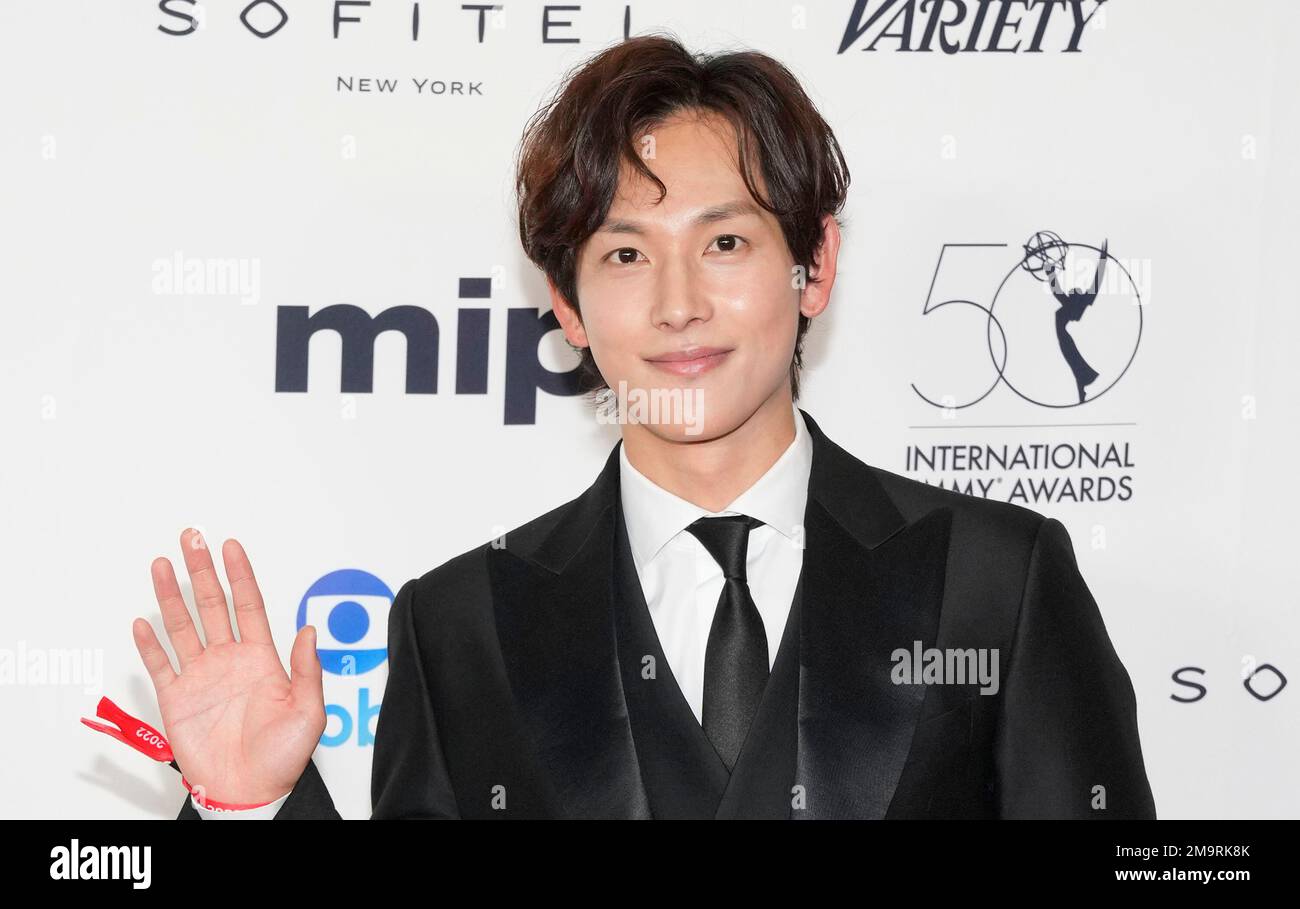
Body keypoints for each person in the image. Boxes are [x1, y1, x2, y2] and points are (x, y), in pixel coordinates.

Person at [134, 34, 1156, 819]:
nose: (678, 304)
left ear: (815, 267)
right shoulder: (462, 626)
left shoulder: (994, 580)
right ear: (567, 307)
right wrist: (250, 804)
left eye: (723, 241)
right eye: (625, 255)